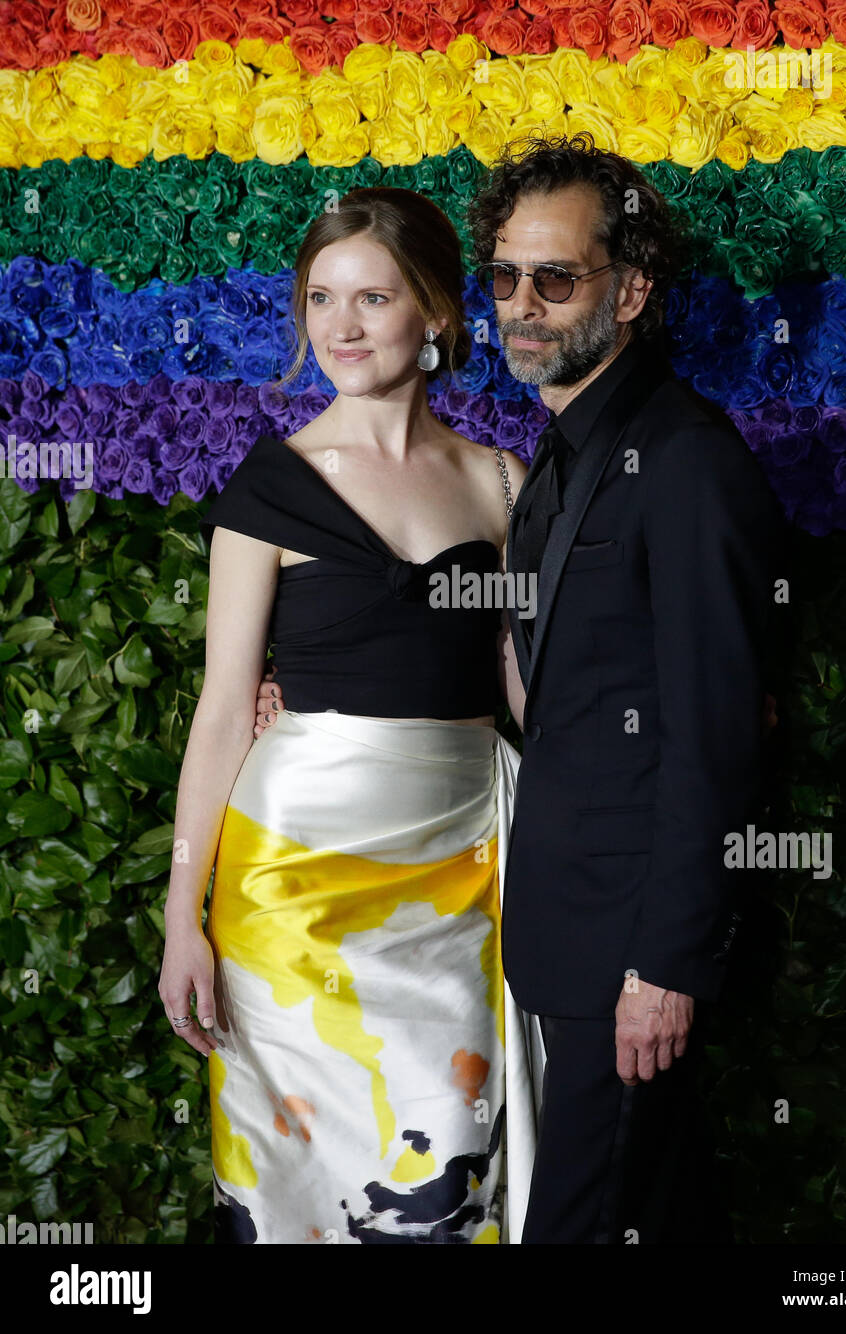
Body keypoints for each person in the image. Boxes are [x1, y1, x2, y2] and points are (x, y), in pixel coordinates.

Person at [257, 134, 785, 1245]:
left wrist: (668, 966)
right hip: (554, 938)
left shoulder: (683, 462)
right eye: (502, 277)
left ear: (632, 289)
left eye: (557, 278)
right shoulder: (555, 454)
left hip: (628, 958)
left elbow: (719, 731)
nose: (521, 306)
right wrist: (304, 701)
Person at [158, 186, 543, 1245]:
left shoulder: (499, 483)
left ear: (435, 314)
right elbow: (223, 710)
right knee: (297, 1181)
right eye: (322, 298)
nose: (341, 326)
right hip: (290, 887)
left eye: (373, 298)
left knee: (446, 1164)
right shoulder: (269, 489)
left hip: (459, 876)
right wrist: (180, 910)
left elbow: (525, 689)